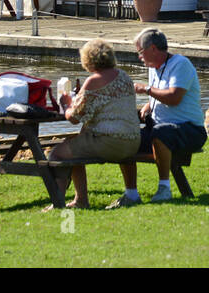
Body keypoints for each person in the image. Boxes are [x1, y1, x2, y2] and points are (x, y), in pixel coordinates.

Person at [109, 28, 206, 207]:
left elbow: (174, 97)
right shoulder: (154, 68)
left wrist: (146, 90)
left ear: (153, 48)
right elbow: (160, 93)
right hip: (161, 128)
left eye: (140, 52)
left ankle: (164, 189)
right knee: (125, 137)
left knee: (160, 133)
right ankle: (131, 194)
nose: (139, 57)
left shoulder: (180, 64)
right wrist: (149, 104)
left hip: (190, 130)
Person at [46, 39, 140, 210]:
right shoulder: (124, 76)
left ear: (88, 59)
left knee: (58, 154)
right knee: (76, 143)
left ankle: (59, 203)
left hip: (109, 141)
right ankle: (130, 195)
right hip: (132, 140)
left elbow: (74, 118)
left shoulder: (94, 81)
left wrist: (66, 104)